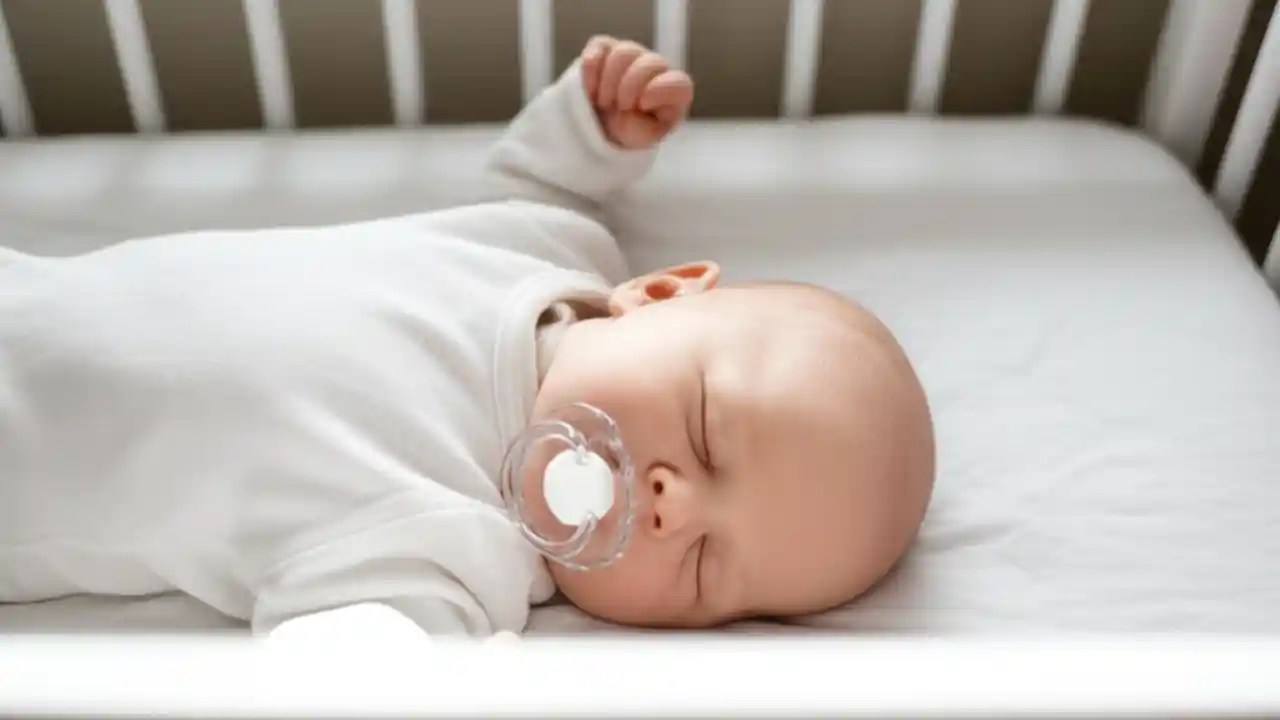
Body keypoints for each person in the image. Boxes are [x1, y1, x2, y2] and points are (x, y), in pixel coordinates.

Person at [0, 37, 933, 639]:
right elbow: (540, 183)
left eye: (701, 567)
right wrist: (598, 132)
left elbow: (353, 654)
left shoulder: (458, 556)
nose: (669, 506)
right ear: (653, 293)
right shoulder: (554, 250)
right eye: (704, 431)